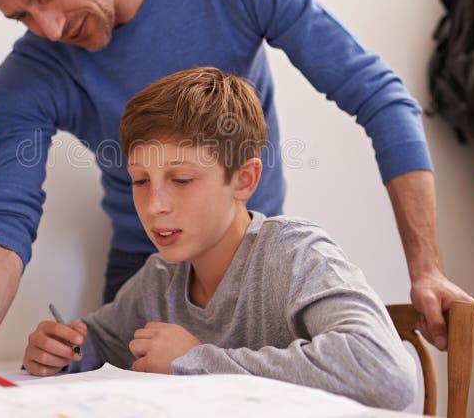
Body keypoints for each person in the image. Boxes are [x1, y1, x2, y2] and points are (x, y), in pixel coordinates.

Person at [0, 0, 473, 390]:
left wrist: (426, 269)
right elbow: (5, 213)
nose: (49, 27)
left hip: (253, 273)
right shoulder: (29, 77)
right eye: (20, 16)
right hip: (145, 283)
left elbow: (379, 97)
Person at [23, 67, 416, 410]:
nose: (154, 205)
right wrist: (65, 349)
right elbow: (102, 342)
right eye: (140, 181)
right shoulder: (160, 277)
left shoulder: (296, 256)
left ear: (243, 179)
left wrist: (197, 360)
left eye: (181, 180)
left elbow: (386, 375)